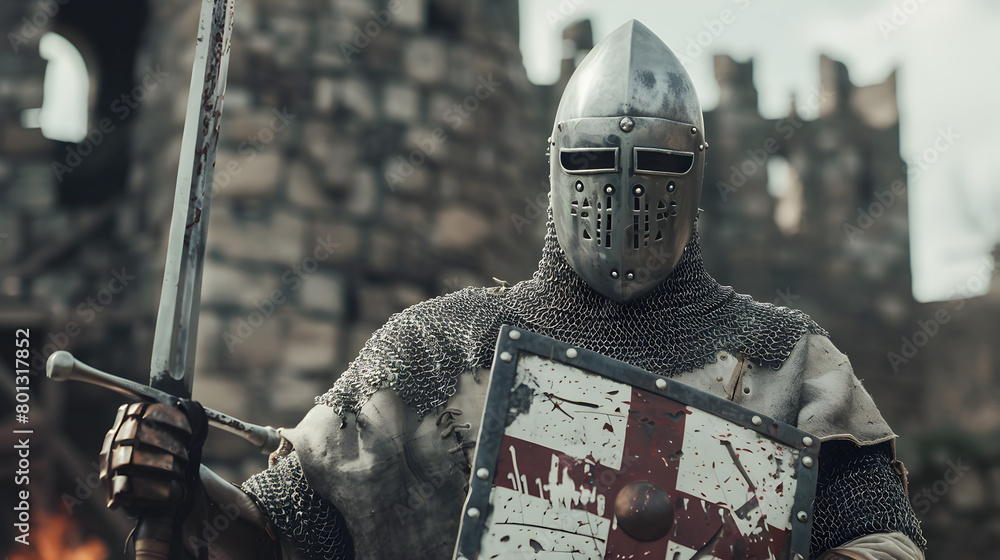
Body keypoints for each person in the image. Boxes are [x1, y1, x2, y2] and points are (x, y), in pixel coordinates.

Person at [100, 20, 926, 560]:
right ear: (556, 166)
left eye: (662, 164)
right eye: (594, 162)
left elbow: (884, 542)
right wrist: (181, 488)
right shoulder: (434, 351)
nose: (627, 192)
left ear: (696, 177)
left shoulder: (789, 362)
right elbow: (279, 536)